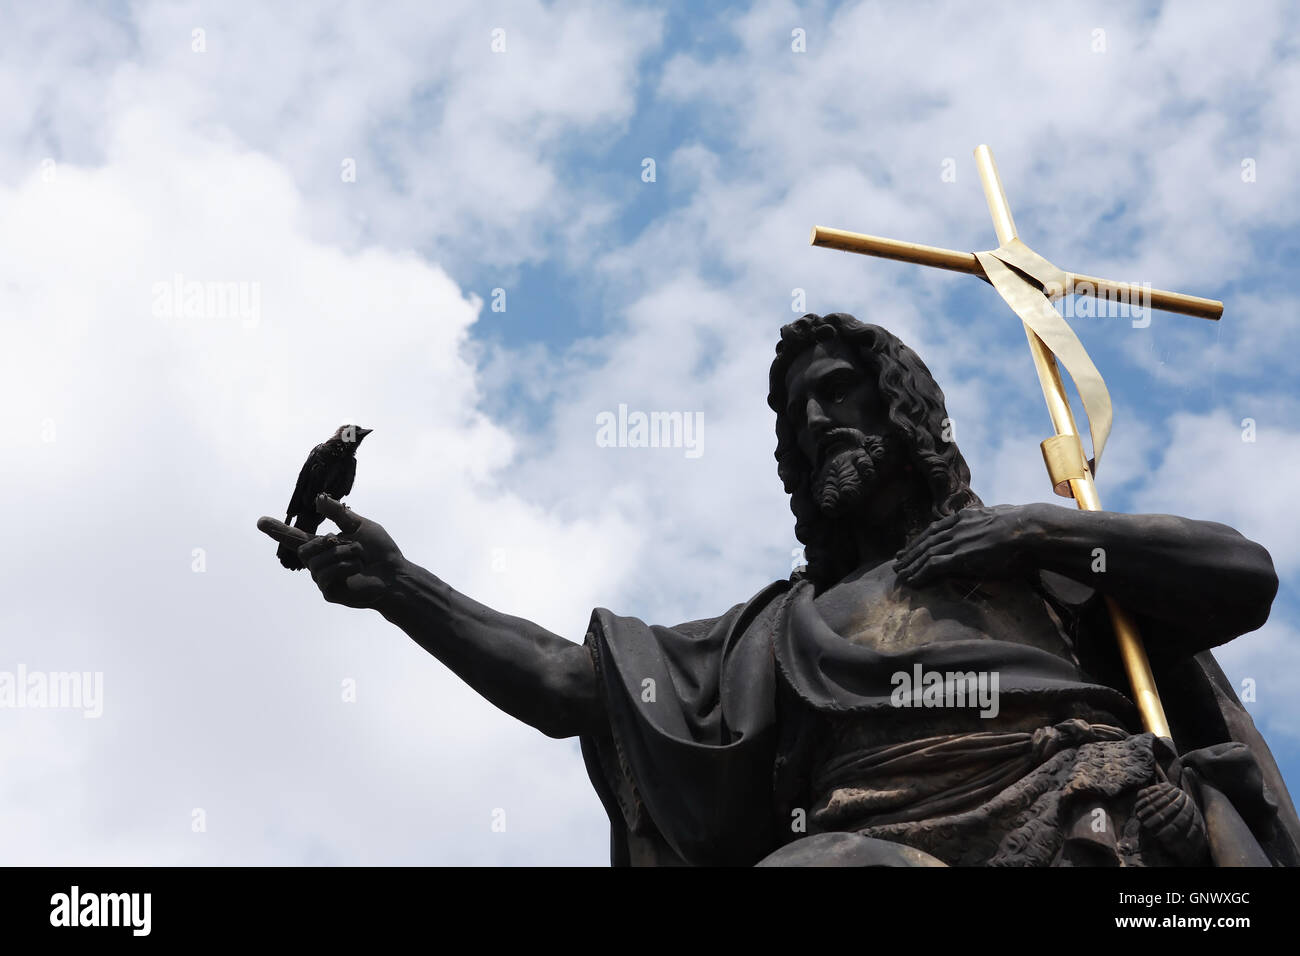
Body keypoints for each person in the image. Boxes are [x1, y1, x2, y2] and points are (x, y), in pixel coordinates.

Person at [259, 312, 1297, 866]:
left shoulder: (1031, 552)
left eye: (839, 395)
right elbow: (570, 683)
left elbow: (1241, 577)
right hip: (876, 843)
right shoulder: (776, 625)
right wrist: (402, 586)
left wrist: (1038, 524)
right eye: (797, 414)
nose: (814, 423)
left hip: (1083, 808)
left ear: (906, 414)